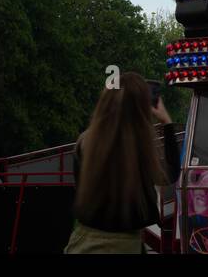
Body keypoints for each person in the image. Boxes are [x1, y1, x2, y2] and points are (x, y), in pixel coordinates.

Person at [65, 72, 180, 253]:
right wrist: (166, 122)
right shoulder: (139, 146)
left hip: (82, 241)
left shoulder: (85, 141)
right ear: (139, 107)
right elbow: (170, 174)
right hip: (124, 244)